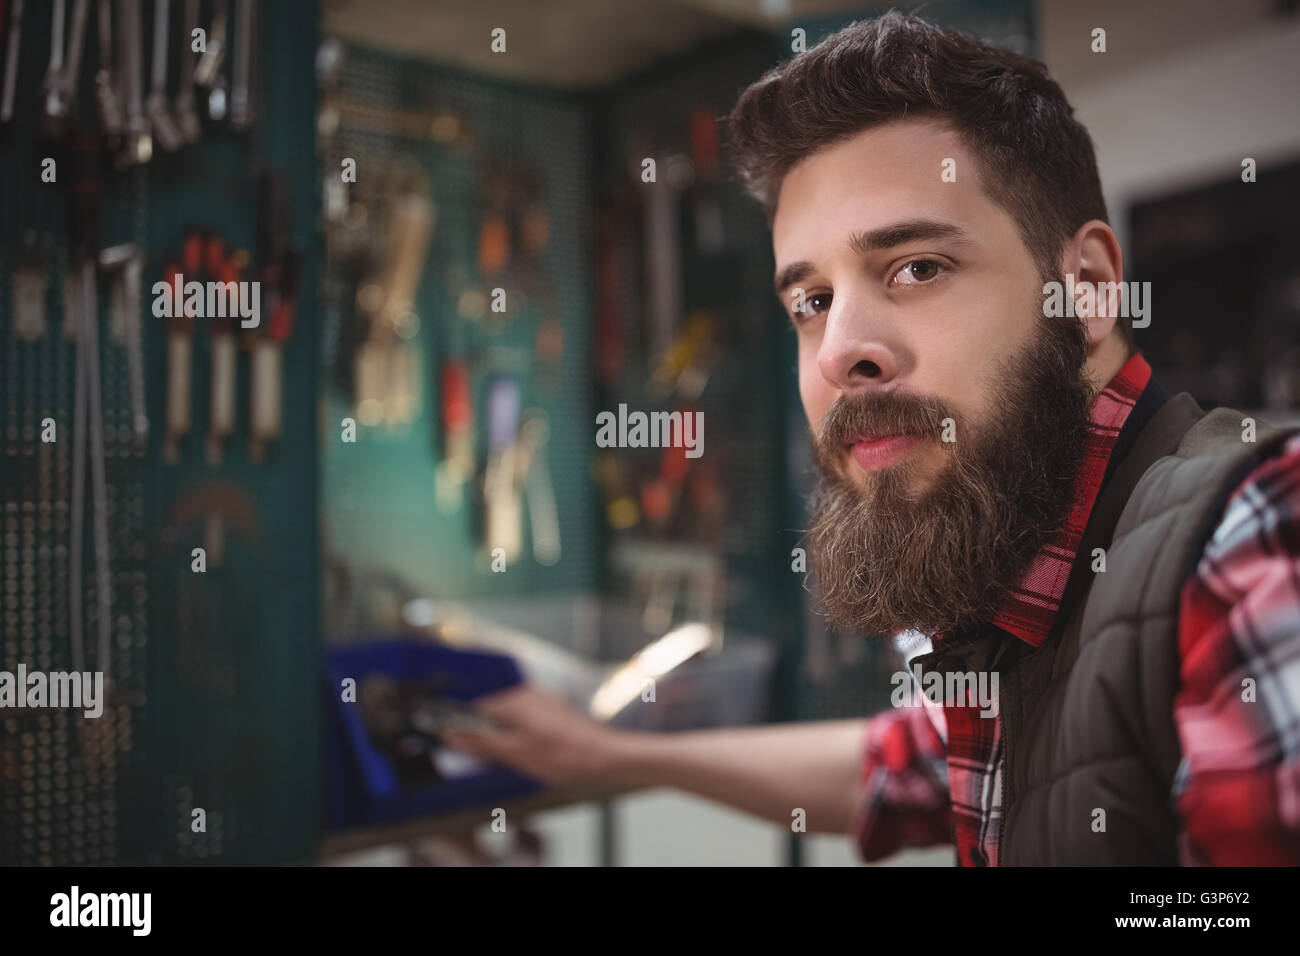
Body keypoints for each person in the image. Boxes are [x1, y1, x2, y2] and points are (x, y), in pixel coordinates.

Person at [443, 12, 1300, 866]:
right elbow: (904, 767)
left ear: (1085, 289)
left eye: (916, 267)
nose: (843, 350)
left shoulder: (1248, 545)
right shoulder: (1027, 578)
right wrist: (610, 755)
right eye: (810, 302)